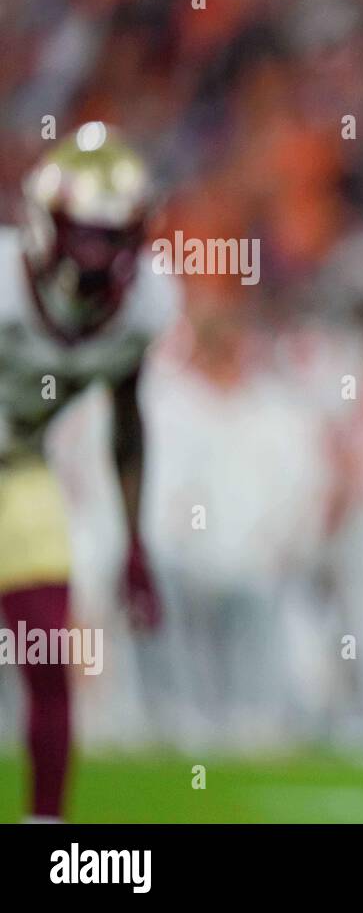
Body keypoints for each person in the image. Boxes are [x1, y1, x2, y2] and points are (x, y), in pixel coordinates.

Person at [0, 123, 178, 820]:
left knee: (48, 655)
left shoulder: (145, 306)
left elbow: (127, 424)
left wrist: (136, 544)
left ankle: (47, 828)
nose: (101, 256)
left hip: (18, 471)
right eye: (86, 234)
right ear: (46, 226)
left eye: (116, 236)